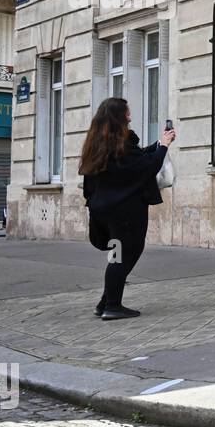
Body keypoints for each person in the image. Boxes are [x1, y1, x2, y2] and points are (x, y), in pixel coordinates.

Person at [78, 98, 176, 320]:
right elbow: (146, 166)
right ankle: (112, 305)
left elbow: (136, 159)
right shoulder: (122, 145)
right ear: (119, 116)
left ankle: (105, 302)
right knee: (123, 256)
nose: (130, 115)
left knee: (117, 256)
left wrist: (160, 143)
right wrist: (163, 147)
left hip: (103, 210)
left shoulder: (99, 144)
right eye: (127, 112)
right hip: (125, 214)